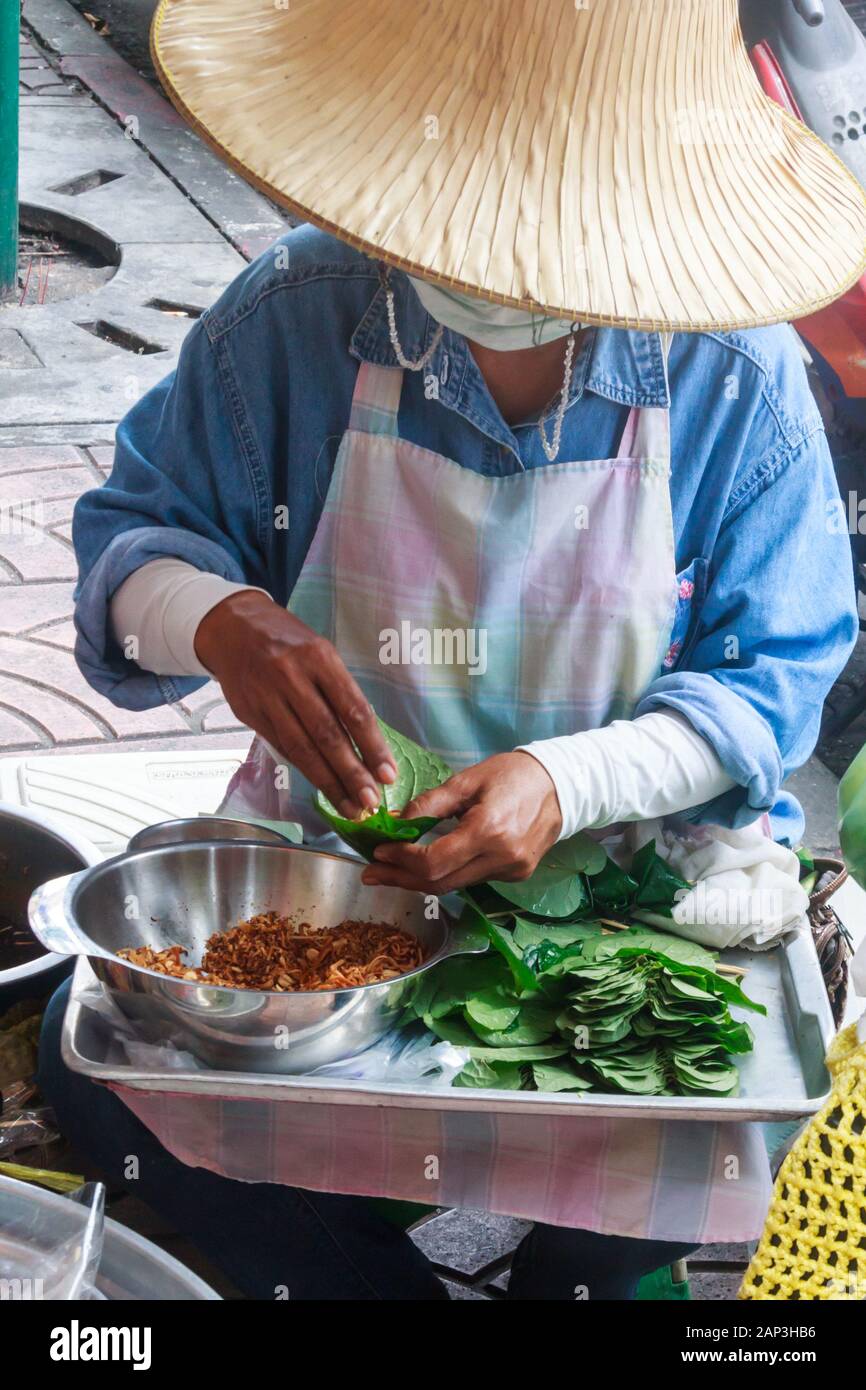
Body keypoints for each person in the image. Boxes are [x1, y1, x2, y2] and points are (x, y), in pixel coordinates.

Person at [40, 0, 866, 1298]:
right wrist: (210, 613)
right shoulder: (294, 313)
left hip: (630, 896)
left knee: (673, 1153)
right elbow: (132, 534)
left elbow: (775, 679)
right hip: (333, 891)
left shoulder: (734, 382)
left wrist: (567, 783)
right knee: (94, 1077)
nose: (499, 259)